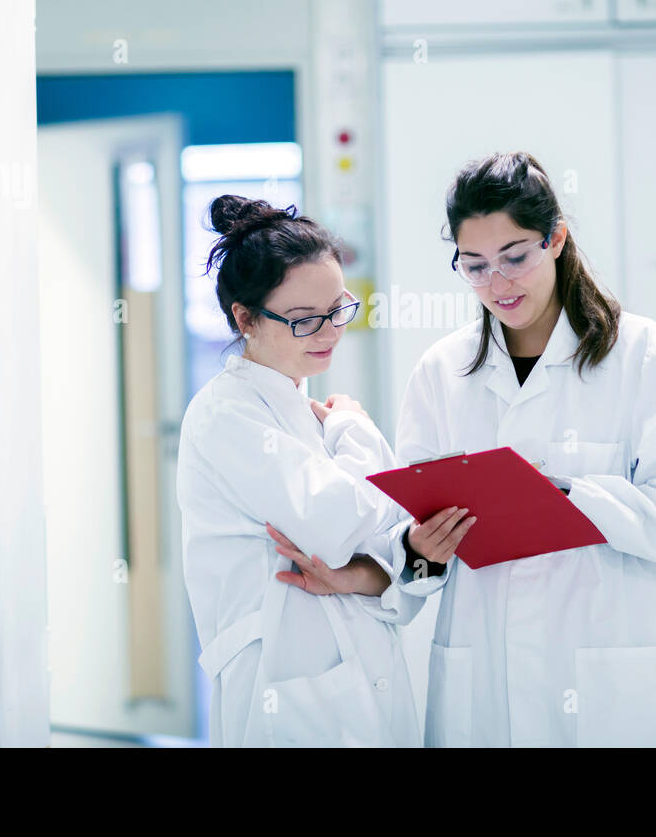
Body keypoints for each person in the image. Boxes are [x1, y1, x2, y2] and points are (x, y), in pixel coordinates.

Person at [283, 151, 656, 746]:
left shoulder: (638, 353)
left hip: (604, 674)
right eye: (475, 265)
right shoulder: (442, 372)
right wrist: (411, 552)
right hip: (485, 670)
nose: (498, 283)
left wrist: (570, 496)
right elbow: (405, 537)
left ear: (556, 239)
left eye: (514, 257)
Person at [175, 195, 465, 747]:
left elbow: (396, 557)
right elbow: (343, 525)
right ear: (244, 317)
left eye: (339, 309)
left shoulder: (307, 413)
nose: (331, 331)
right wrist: (354, 431)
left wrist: (384, 563)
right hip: (285, 686)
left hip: (362, 677)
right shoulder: (226, 415)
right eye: (307, 320)